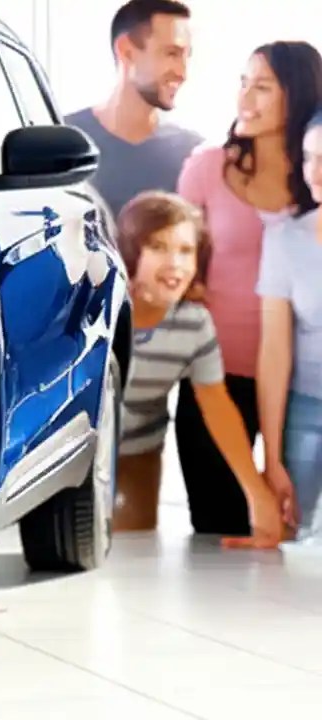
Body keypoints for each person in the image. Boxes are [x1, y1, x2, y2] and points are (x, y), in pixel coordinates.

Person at [176, 41, 322, 536]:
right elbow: (181, 272)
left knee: (294, 532)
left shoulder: (315, 178)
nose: (245, 97)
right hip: (218, 379)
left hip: (301, 385)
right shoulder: (205, 168)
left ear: (298, 96)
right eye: (243, 83)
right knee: (219, 530)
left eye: (262, 87)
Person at [113, 191, 286, 548]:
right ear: (130, 252)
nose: (175, 262)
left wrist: (256, 493)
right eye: (158, 247)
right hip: (85, 441)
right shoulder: (105, 312)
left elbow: (218, 407)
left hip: (139, 449)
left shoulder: (193, 325)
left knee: (131, 545)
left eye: (186, 251)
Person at [65, 0, 203, 219]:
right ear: (127, 51)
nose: (182, 72)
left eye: (187, 56)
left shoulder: (192, 155)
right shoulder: (65, 140)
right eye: (171, 53)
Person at [256, 107, 322, 541]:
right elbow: (275, 353)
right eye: (308, 157)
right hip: (307, 415)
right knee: (292, 542)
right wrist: (273, 459)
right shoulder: (284, 239)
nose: (314, 172)